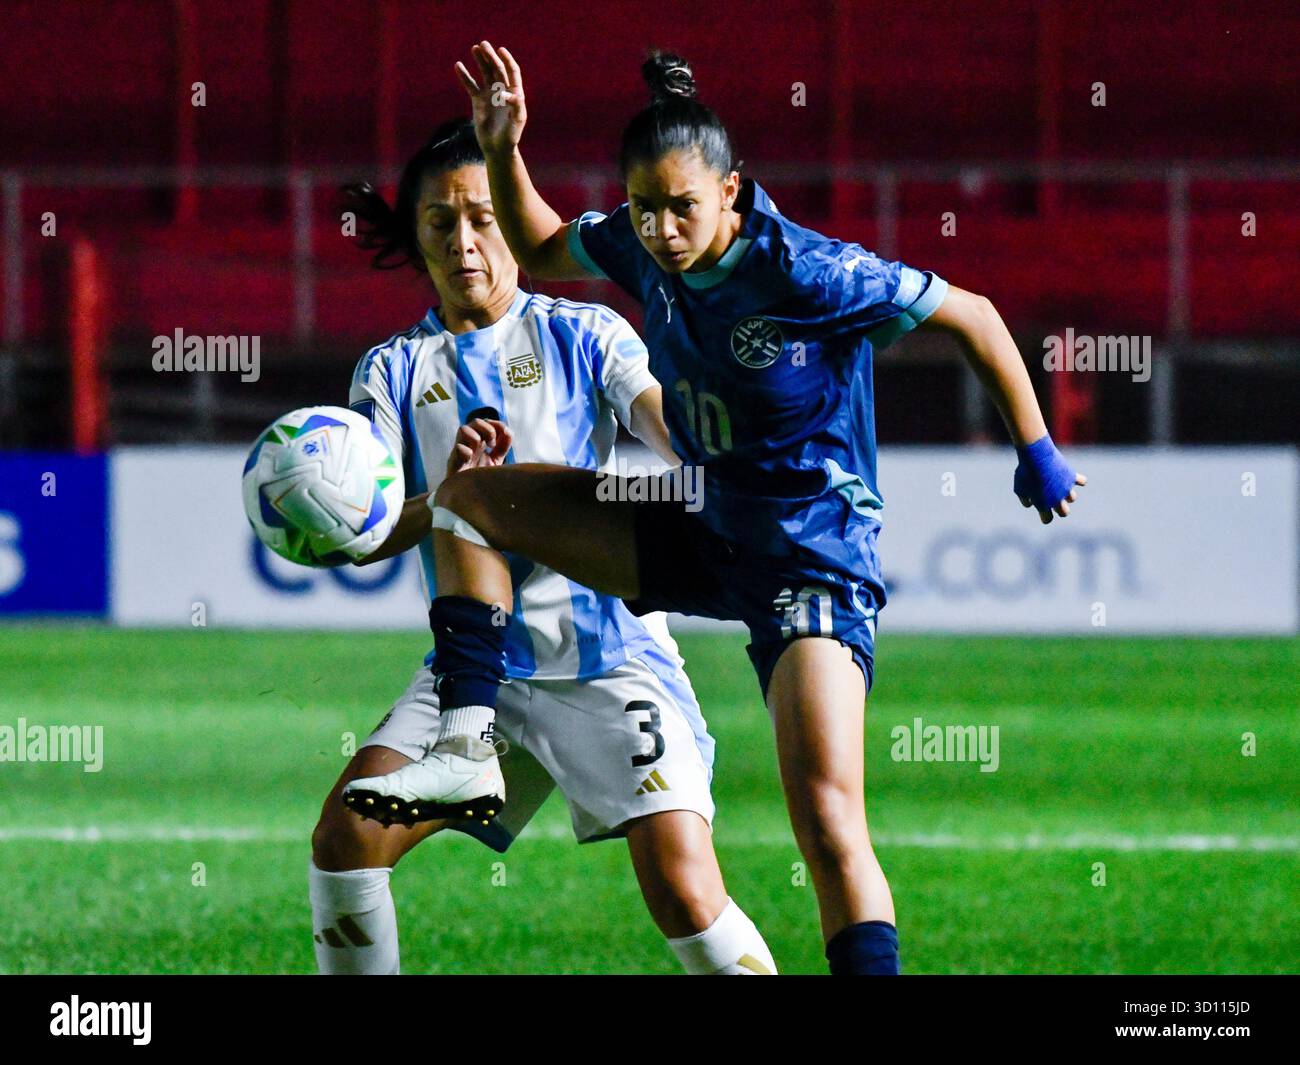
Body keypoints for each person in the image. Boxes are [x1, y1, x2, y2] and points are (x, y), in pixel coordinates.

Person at [348, 44, 1085, 975]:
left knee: (824, 814)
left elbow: (973, 314)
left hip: (806, 565)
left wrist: (1037, 446)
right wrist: (503, 147)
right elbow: (536, 244)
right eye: (644, 207)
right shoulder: (639, 243)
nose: (659, 228)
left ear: (732, 192)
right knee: (472, 495)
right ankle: (465, 742)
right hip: (703, 530)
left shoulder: (809, 274)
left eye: (682, 207)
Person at [312, 119, 777, 976]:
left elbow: (671, 432)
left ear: (514, 227)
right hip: (478, 683)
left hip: (609, 663)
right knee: (345, 840)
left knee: (682, 886)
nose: (464, 243)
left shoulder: (584, 333)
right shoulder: (391, 371)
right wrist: (444, 498)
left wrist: (723, 441)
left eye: (483, 218)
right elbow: (369, 536)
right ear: (415, 236)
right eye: (440, 223)